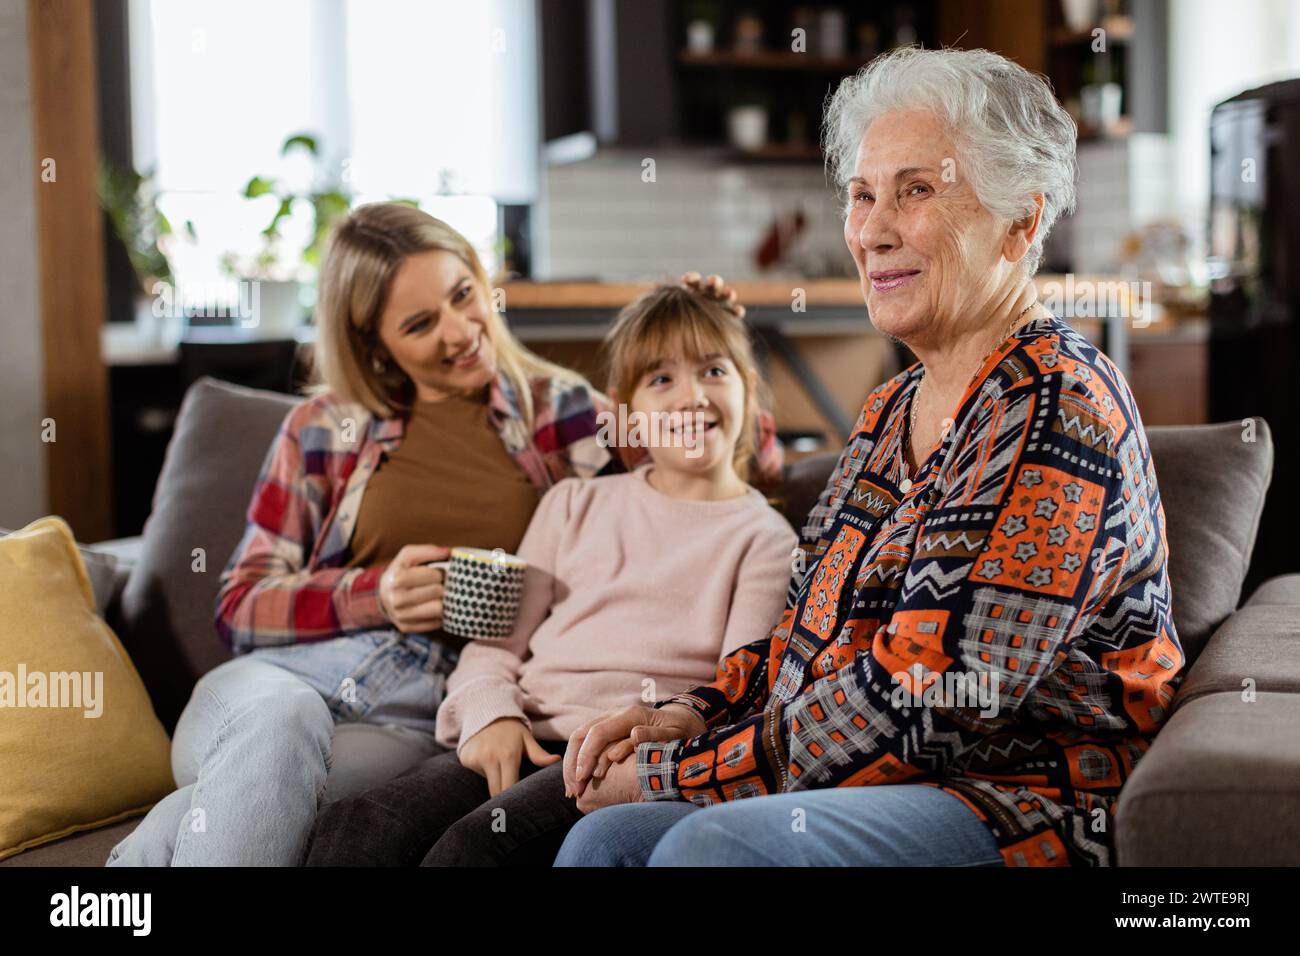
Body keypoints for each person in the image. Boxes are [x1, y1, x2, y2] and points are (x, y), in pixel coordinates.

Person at [556, 46, 1184, 869]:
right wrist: (695, 714)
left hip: (1023, 794)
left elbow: (933, 701)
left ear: (1021, 222)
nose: (872, 230)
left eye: (916, 190)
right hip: (872, 782)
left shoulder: (1056, 403)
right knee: (603, 840)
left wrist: (672, 775)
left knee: (707, 847)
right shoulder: (893, 408)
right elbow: (810, 639)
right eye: (861, 195)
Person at [107, 203, 780, 866]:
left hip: (418, 704)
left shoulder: (555, 410)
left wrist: (710, 332)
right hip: (291, 677)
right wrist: (377, 595)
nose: (460, 332)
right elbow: (239, 604)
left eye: (464, 296)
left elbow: (697, 448)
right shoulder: (324, 426)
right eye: (422, 323)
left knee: (300, 810)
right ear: (374, 342)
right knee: (280, 729)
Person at [305, 284, 798, 866]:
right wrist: (492, 713)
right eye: (661, 380)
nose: (692, 397)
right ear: (624, 413)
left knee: (468, 851)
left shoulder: (765, 541)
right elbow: (494, 645)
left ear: (747, 389)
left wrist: (649, 742)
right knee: (358, 826)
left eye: (714, 370)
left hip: (616, 756)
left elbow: (733, 695)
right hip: (522, 730)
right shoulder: (571, 503)